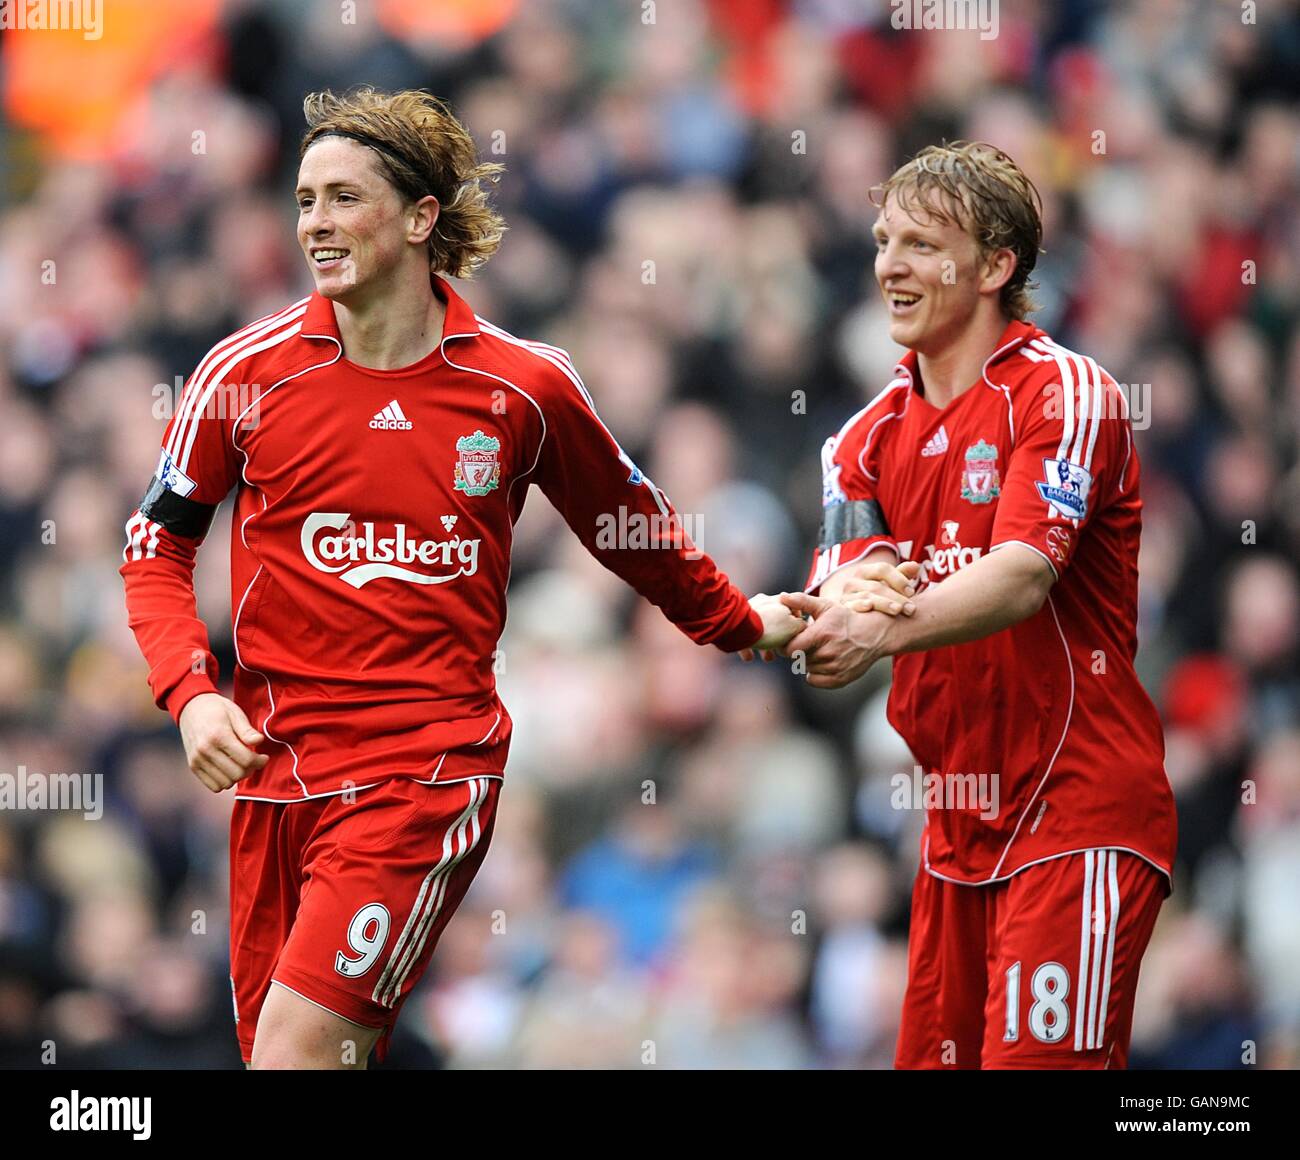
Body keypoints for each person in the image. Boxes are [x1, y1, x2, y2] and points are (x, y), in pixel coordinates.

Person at [120, 86, 802, 1070]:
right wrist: (188, 693)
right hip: (275, 780)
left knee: (295, 1056)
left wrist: (743, 624)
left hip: (423, 774)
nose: (314, 222)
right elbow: (154, 547)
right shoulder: (245, 372)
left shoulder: (523, 385)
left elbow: (632, 530)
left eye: (343, 197)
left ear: (419, 216)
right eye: (305, 199)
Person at [777, 142, 1177, 1069]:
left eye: (922, 243)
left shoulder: (1070, 393)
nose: (888, 265)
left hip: (1078, 814)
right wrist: (821, 618)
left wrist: (877, 625)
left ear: (997, 266)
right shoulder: (859, 439)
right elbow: (853, 584)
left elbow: (1023, 573)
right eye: (884, 240)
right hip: (955, 833)